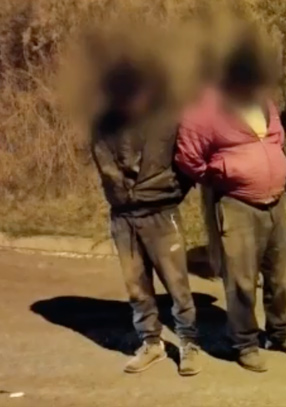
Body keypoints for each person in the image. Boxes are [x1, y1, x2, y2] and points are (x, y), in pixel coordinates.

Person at [175, 32, 286, 372]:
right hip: (236, 205)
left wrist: (271, 167)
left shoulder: (262, 99)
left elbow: (277, 135)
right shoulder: (203, 108)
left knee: (283, 277)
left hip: (275, 202)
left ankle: (280, 333)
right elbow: (188, 158)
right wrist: (223, 173)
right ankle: (245, 343)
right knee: (241, 280)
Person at [90, 59, 201, 376]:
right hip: (123, 215)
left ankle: (189, 344)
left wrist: (170, 192)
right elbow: (104, 164)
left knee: (178, 286)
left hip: (161, 211)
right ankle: (151, 343)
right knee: (136, 287)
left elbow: (188, 160)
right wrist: (123, 195)